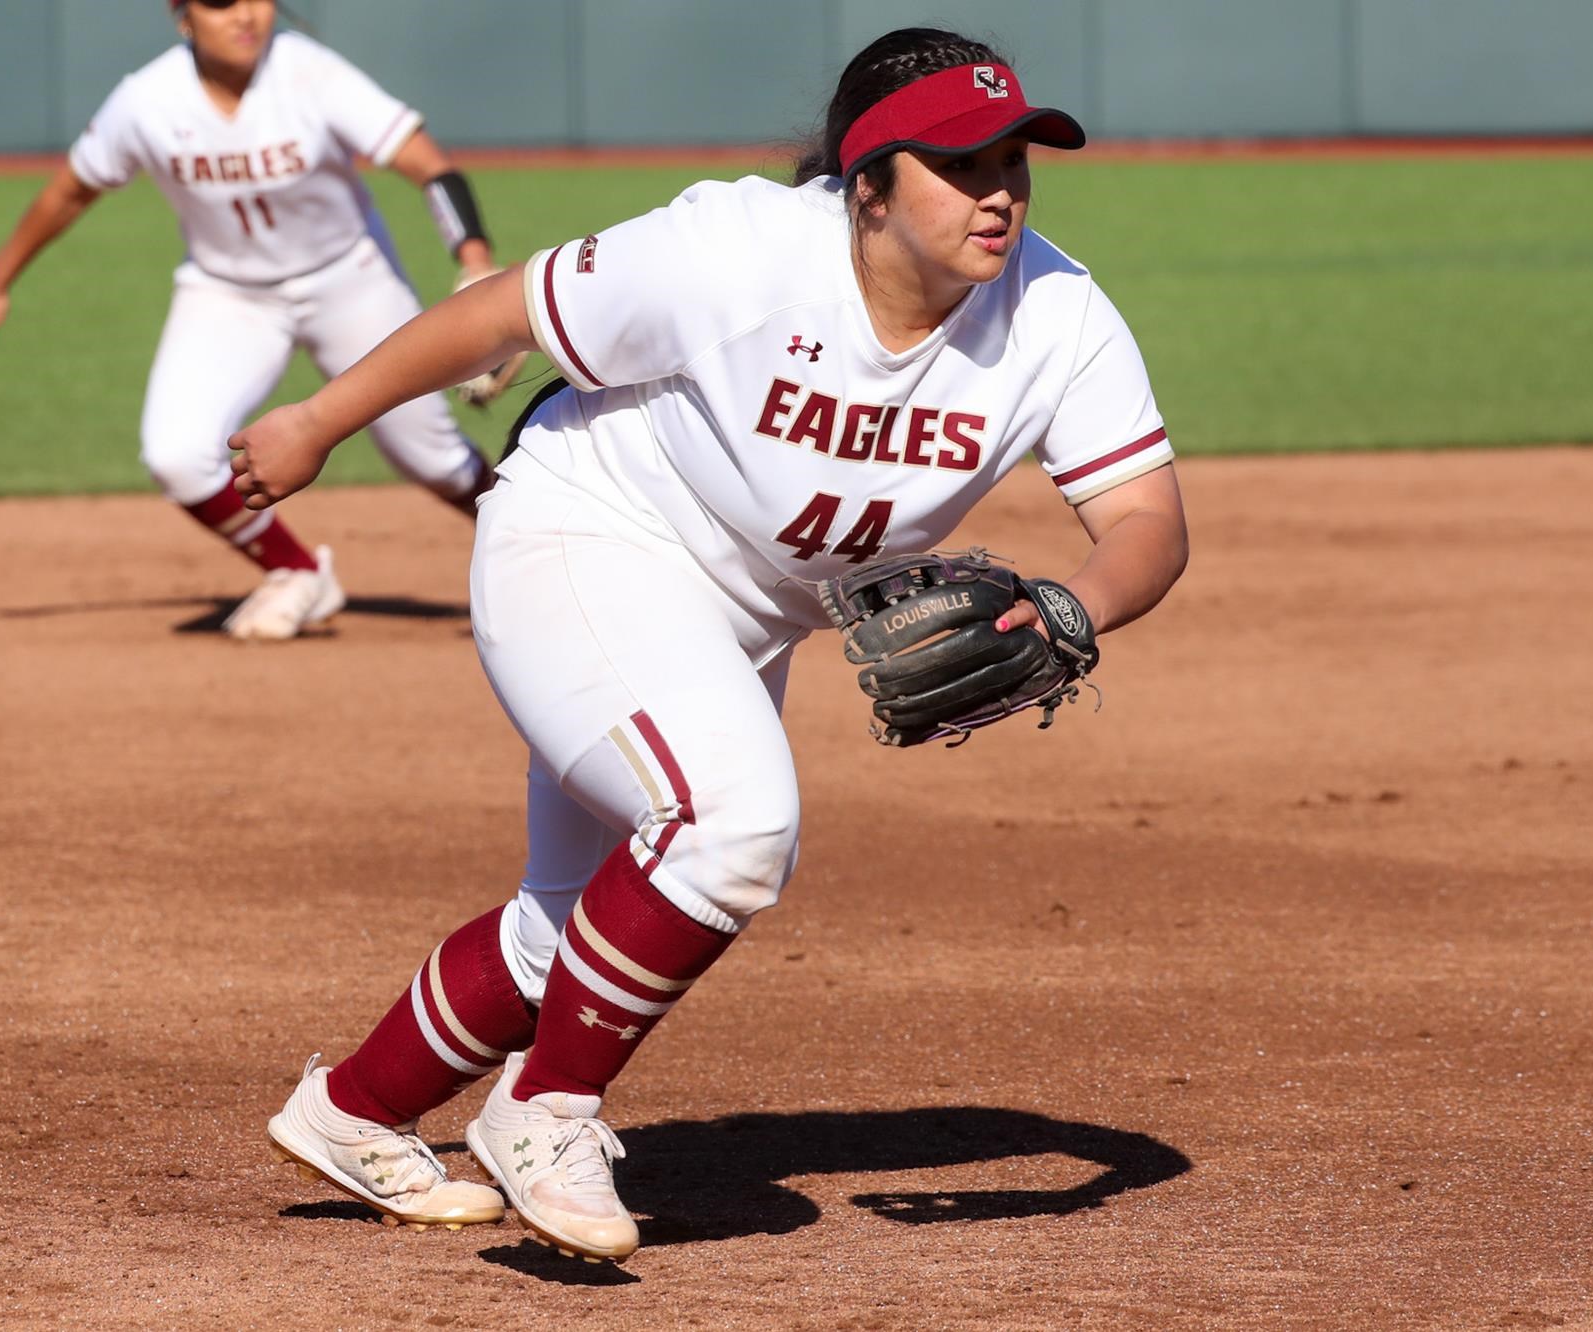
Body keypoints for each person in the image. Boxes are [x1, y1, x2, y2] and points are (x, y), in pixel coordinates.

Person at [244, 28, 1190, 1260]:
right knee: (732, 827)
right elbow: (502, 312)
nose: (998, 189)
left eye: (1014, 157)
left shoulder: (1054, 311)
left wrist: (1078, 607)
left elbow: (1146, 521)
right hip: (586, 537)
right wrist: (316, 422)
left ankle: (353, 1111)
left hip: (745, 615)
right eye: (958, 164)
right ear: (866, 185)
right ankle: (544, 1110)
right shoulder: (735, 250)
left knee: (580, 919)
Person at [0, 0, 518, 640]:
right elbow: (71, 190)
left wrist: (475, 260)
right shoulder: (147, 100)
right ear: (182, 14)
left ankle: (540, 549)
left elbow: (429, 167)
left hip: (350, 281)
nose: (245, 14)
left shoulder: (309, 74)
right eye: (221, 2)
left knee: (434, 461)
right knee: (175, 455)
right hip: (228, 294)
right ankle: (299, 573)